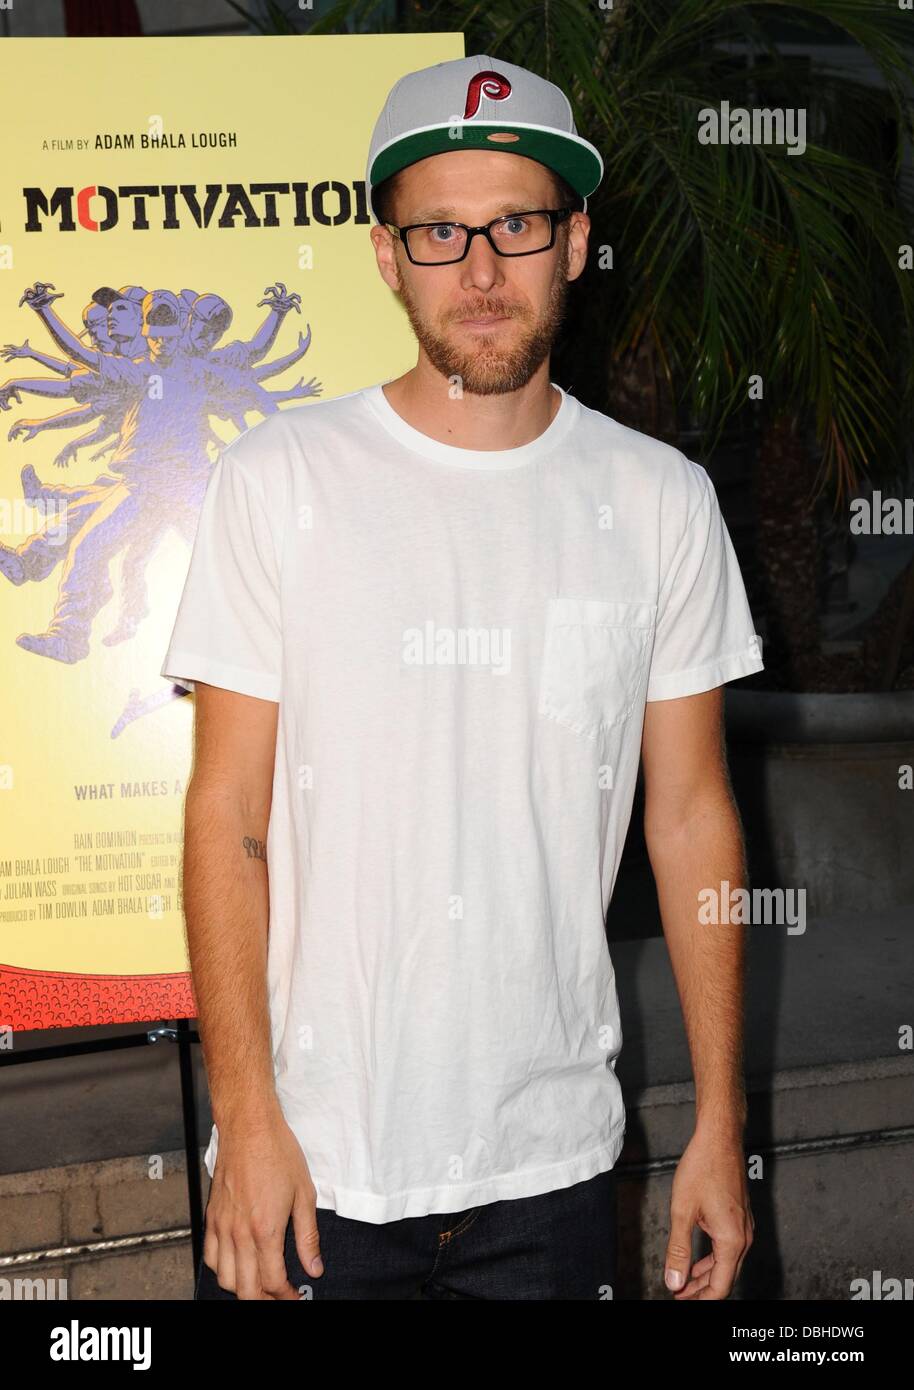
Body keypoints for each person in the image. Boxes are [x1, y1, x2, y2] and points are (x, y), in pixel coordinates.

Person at [161, 53, 764, 1301]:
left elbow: (692, 815)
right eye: (439, 229)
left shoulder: (658, 502)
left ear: (574, 241)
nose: (480, 271)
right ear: (387, 256)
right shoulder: (278, 482)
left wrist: (718, 1117)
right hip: (312, 1164)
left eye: (515, 225)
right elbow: (228, 817)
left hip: (549, 1168)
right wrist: (247, 1116)